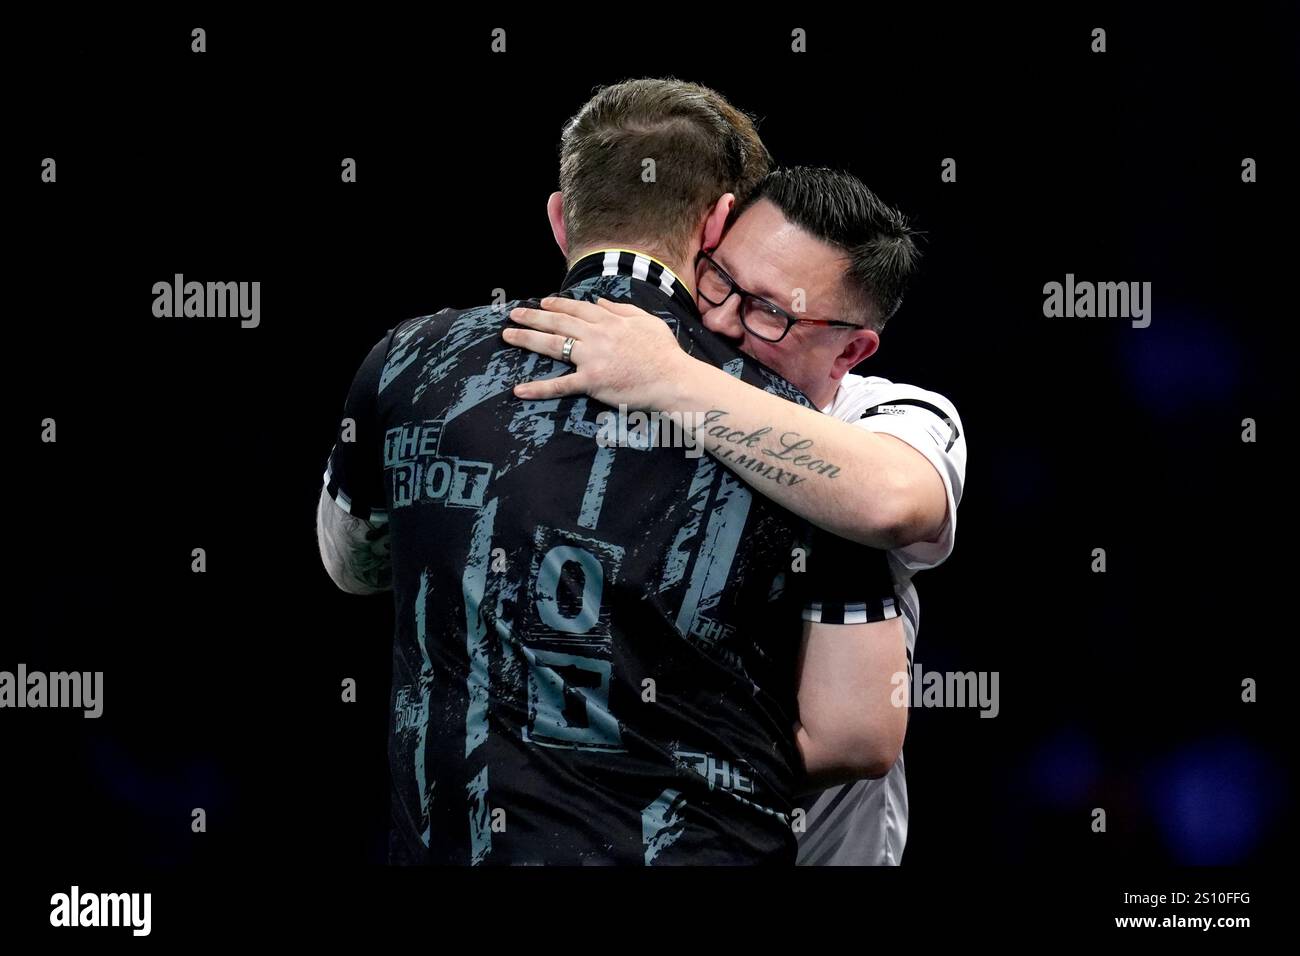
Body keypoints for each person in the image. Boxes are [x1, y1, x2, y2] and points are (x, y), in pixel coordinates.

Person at [316, 81, 904, 865]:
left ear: (563, 218)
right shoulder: (807, 433)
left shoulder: (409, 358)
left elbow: (351, 565)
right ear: (720, 225)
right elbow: (856, 733)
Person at [507, 166, 967, 864]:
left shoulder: (884, 418)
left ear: (851, 349)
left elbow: (892, 500)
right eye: (717, 278)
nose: (718, 321)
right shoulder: (620, 380)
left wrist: (666, 376)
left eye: (770, 312)